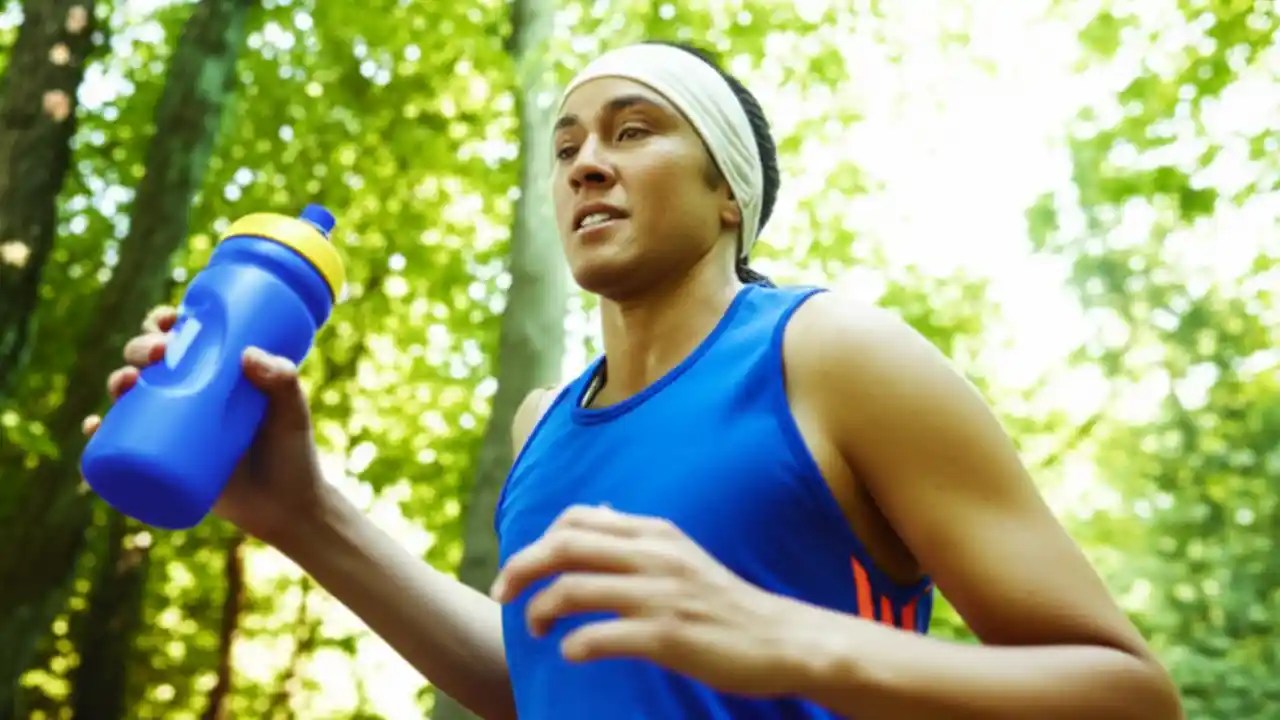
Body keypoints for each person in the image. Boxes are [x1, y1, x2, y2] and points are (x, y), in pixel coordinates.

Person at [85, 40, 1182, 719]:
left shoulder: (829, 353)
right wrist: (305, 514)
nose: (584, 164)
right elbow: (553, 684)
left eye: (633, 130)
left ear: (727, 200)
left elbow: (1126, 698)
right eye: (564, 147)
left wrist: (789, 639)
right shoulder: (542, 425)